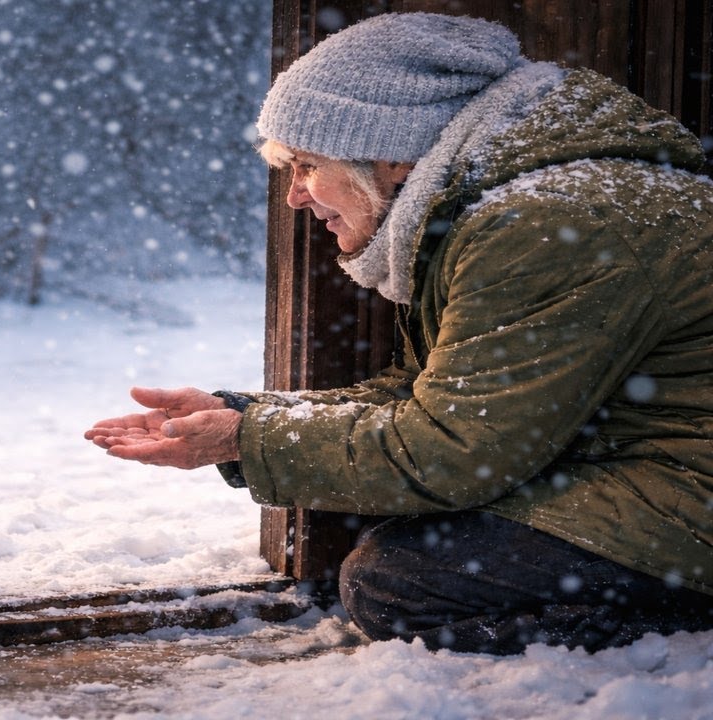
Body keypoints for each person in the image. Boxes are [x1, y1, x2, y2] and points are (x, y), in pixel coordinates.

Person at [85, 12, 713, 655]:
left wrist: (244, 440)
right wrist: (241, 416)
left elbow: (457, 449)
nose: (296, 197)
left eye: (305, 166)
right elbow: (425, 394)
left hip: (690, 497)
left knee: (397, 586)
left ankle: (680, 633)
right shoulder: (502, 205)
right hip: (655, 472)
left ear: (388, 152)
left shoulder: (540, 226)